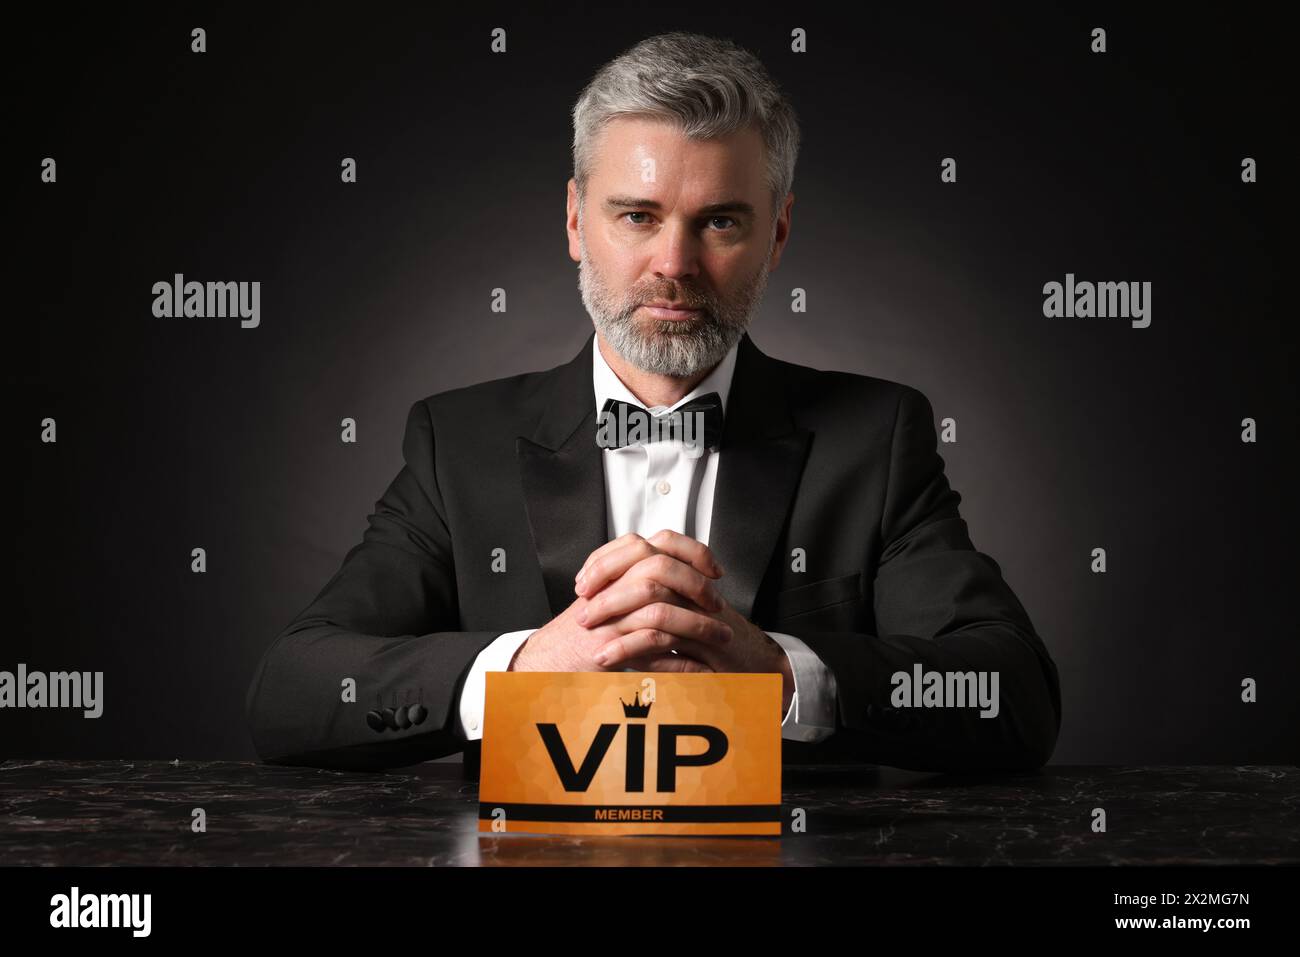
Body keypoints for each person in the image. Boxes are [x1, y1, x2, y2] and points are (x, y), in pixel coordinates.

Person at [244, 31, 1060, 773]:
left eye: (721, 222)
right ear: (574, 219)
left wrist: (779, 671)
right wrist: (523, 669)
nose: (674, 263)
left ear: (777, 235)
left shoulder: (875, 438)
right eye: (637, 215)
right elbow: (291, 688)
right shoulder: (455, 442)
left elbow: (1013, 691)